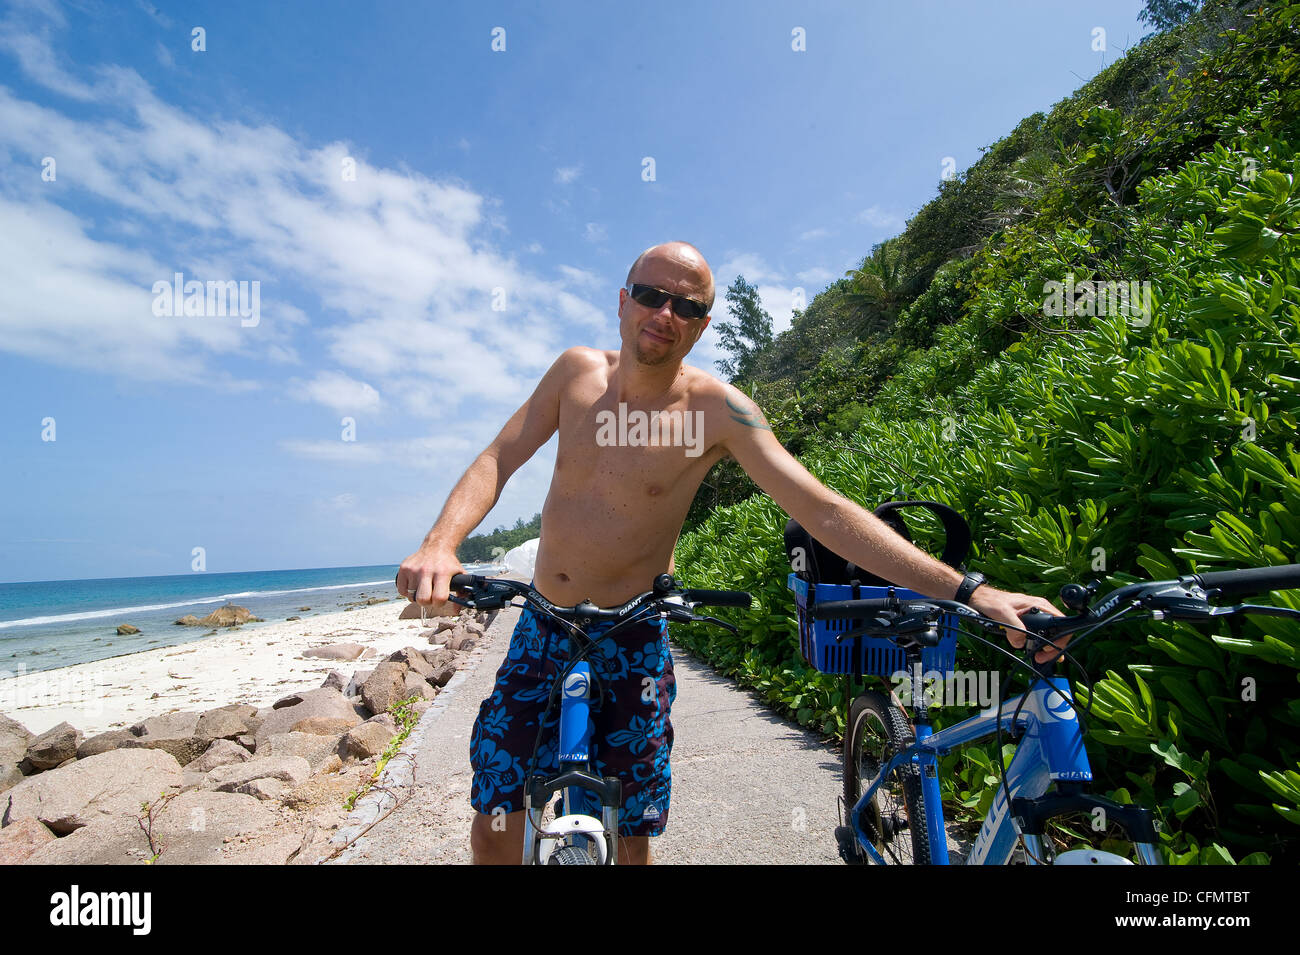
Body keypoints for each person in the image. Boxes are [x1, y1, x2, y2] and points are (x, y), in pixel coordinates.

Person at [397, 240, 1063, 864]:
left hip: (634, 631)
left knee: (633, 832)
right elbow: (499, 456)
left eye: (688, 306)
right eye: (653, 295)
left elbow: (823, 508)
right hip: (546, 620)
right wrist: (439, 544)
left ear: (703, 324)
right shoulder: (575, 374)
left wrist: (971, 591)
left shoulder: (718, 410)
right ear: (622, 300)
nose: (666, 314)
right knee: (495, 809)